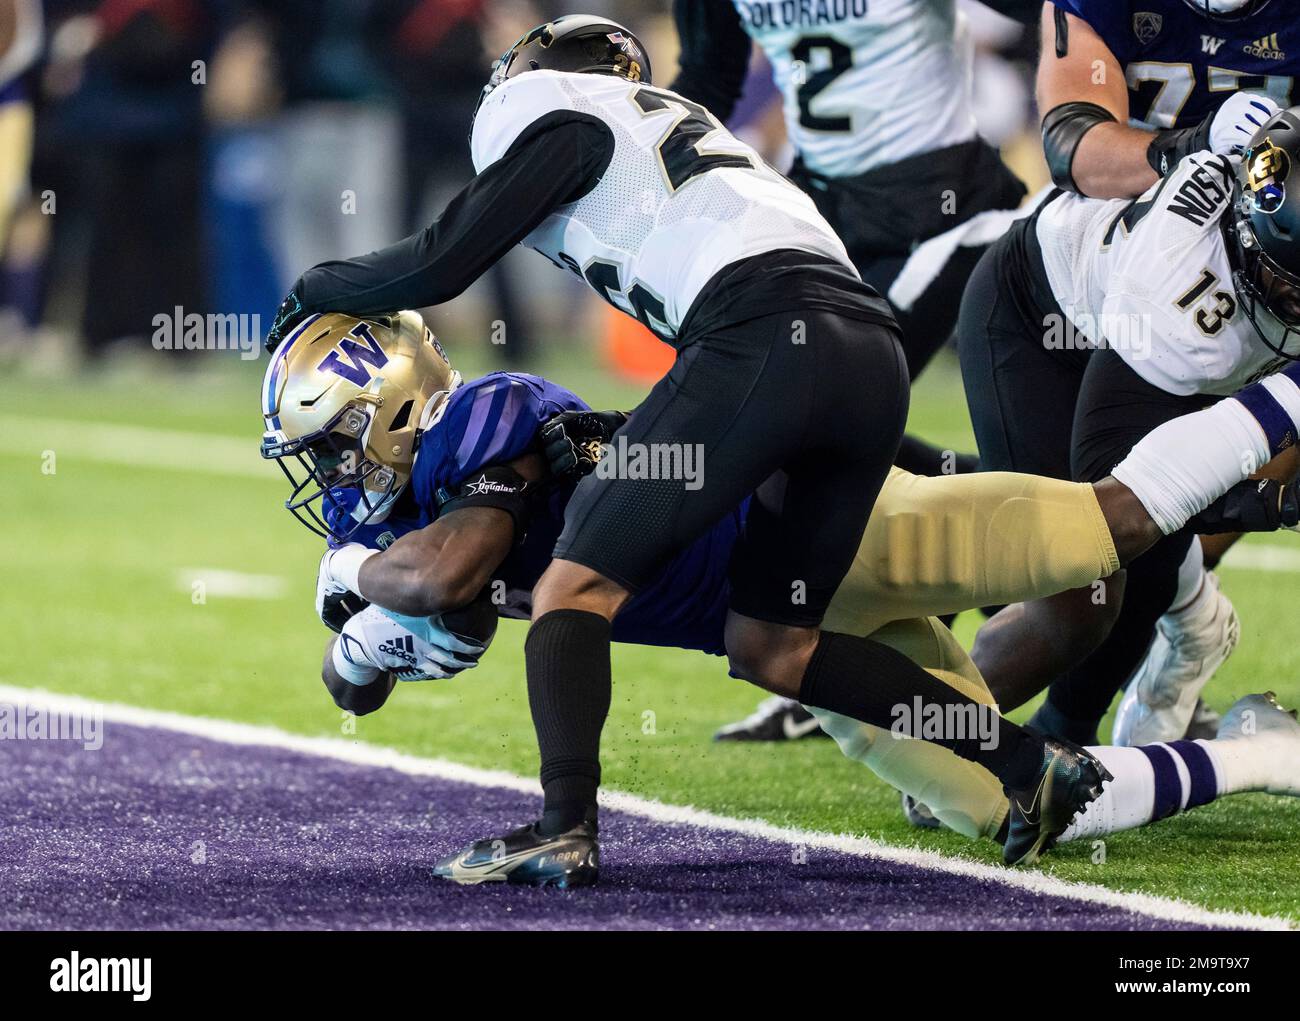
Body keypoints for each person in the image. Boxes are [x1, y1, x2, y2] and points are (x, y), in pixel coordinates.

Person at [258, 312, 1300, 879]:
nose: (332, 480)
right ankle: (1265, 755)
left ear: (391, 412)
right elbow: (358, 683)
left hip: (855, 533)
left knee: (1112, 526)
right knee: (1018, 816)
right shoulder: (404, 531)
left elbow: (444, 574)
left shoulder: (489, 415)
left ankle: (1283, 399)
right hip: (804, 642)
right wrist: (356, 653)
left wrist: (348, 582)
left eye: (333, 448)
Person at [672, 0, 1043, 742]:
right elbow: (707, 76)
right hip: (819, 213)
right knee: (797, 435)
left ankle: (1082, 571)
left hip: (949, 213)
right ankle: (852, 649)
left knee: (812, 416)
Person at [960, 105, 1300, 749]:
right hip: (1038, 317)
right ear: (1250, 235)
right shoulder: (1183, 284)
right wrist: (1270, 502)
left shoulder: (1265, 242)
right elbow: (1111, 493)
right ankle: (944, 741)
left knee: (1139, 565)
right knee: (1079, 571)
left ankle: (1068, 736)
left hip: (1172, 354)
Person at [1027, 0, 1299, 743]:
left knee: (1120, 555)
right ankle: (1001, 732)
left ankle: (1061, 721)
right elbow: (1073, 148)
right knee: (1076, 551)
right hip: (1136, 272)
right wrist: (1190, 143)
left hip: (1258, 281)